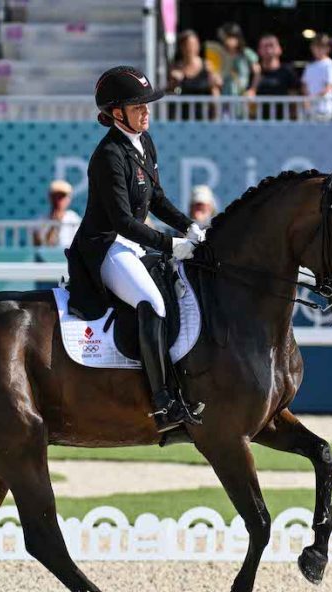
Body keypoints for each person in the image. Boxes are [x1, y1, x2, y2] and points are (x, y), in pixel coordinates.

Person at [66, 66, 207, 432]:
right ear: (117, 113)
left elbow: (156, 198)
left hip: (134, 243)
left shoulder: (143, 141)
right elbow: (124, 222)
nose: (146, 112)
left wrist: (188, 226)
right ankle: (162, 403)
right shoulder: (108, 156)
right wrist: (171, 244)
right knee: (153, 303)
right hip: (107, 246)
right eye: (138, 106)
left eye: (146, 105)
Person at [166, 29, 219, 120]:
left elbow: (215, 91)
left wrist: (215, 115)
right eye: (188, 45)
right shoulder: (175, 68)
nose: (191, 48)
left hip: (204, 118)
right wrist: (174, 82)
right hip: (182, 119)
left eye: (194, 44)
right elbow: (170, 93)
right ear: (182, 47)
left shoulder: (207, 66)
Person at [34, 179, 81, 249]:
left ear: (69, 199)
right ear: (50, 198)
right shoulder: (40, 220)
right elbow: (40, 246)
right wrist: (54, 223)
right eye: (55, 196)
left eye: (62, 196)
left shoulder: (74, 218)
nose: (58, 200)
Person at [216, 22, 258, 98]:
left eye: (229, 37)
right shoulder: (219, 55)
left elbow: (257, 73)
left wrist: (253, 89)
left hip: (243, 97)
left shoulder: (247, 54)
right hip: (225, 97)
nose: (226, 41)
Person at [301, 33, 332, 121]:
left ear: (328, 49)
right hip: (309, 110)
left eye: (322, 47)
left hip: (325, 110)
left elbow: (330, 86)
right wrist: (307, 99)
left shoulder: (329, 64)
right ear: (312, 48)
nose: (318, 49)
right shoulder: (309, 66)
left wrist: (313, 98)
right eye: (316, 46)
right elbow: (304, 84)